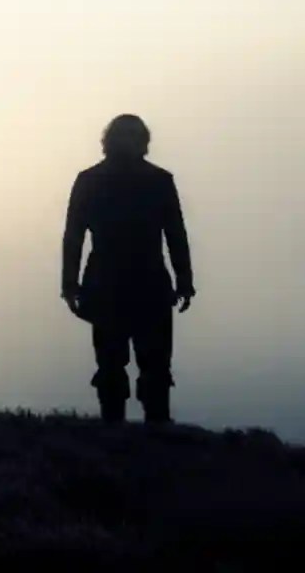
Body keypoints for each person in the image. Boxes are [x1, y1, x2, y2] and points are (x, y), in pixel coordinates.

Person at [61, 114, 195, 425]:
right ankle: (153, 430)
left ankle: (118, 430)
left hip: (110, 284)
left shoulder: (90, 180)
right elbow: (175, 234)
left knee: (117, 363)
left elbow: (73, 237)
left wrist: (69, 284)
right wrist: (184, 281)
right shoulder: (159, 180)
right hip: (146, 284)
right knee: (149, 365)